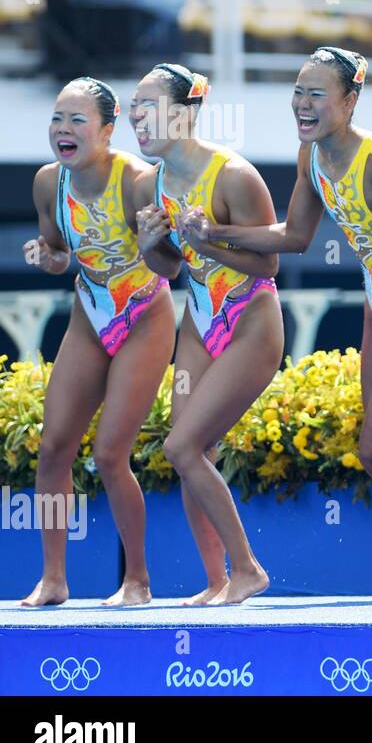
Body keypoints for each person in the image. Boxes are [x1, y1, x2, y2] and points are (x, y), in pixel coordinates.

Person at [181, 46, 372, 599]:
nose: (303, 103)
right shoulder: (311, 156)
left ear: (350, 100)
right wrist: (214, 234)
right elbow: (292, 237)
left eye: (317, 94)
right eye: (298, 91)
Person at [21, 76, 174, 606]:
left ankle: (137, 580)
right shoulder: (48, 183)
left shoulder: (137, 180)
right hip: (90, 313)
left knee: (111, 454)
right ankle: (54, 579)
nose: (63, 130)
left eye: (77, 120)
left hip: (145, 314)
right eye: (57, 119)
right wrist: (49, 261)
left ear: (108, 131)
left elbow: (171, 265)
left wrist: (156, 243)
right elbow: (61, 254)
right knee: (53, 449)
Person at [132, 63, 281, 605]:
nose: (137, 120)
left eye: (148, 109)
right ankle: (218, 579)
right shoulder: (152, 182)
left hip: (250, 319)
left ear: (184, 114)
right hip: (199, 317)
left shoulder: (234, 176)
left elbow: (267, 267)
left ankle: (247, 569)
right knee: (195, 453)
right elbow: (172, 270)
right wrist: (153, 245)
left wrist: (208, 236)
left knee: (182, 445)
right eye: (133, 111)